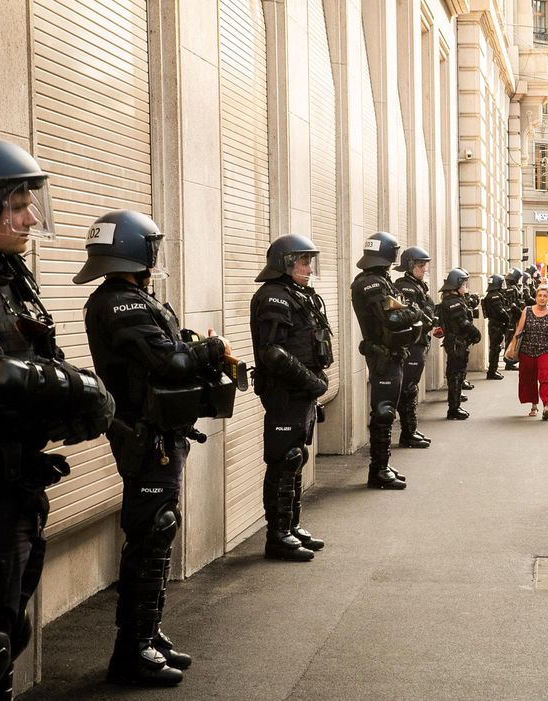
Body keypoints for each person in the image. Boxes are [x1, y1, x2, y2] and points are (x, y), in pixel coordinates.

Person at [0, 139, 115, 698]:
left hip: (17, 483)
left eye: (33, 202)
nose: (32, 216)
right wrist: (73, 388)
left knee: (9, 627)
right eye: (16, 205)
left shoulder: (10, 274)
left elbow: (37, 367)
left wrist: (82, 399)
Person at [77, 210, 239, 685]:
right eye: (151, 246)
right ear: (135, 250)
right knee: (151, 534)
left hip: (160, 433)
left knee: (158, 534)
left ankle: (148, 631)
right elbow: (168, 362)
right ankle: (132, 650)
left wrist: (194, 349)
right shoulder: (119, 304)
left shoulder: (133, 297)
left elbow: (168, 350)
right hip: (144, 436)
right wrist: (210, 350)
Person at [250, 234, 334, 558]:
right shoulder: (274, 297)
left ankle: (292, 526)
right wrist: (311, 381)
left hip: (300, 391)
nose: (309, 268)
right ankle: (277, 535)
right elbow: (273, 353)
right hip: (284, 391)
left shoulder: (296, 295)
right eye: (303, 261)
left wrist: (313, 380)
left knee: (296, 457)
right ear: (285, 263)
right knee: (284, 460)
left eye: (310, 261)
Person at [351, 232, 415, 489]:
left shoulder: (377, 280)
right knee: (384, 412)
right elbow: (391, 319)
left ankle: (382, 465)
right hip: (383, 356)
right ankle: (378, 470)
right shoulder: (372, 284)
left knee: (386, 410)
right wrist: (413, 312)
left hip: (389, 354)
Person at [392, 246, 437, 448]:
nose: (424, 269)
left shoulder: (417, 285)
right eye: (421, 265)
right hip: (412, 343)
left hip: (419, 342)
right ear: (410, 266)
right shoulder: (406, 286)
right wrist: (428, 318)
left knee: (412, 388)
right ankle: (407, 434)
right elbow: (417, 315)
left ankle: (411, 430)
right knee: (408, 388)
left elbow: (427, 311)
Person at [436, 268, 481, 420]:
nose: (465, 288)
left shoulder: (449, 301)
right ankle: (453, 409)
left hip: (455, 342)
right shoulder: (454, 302)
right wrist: (476, 333)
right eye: (464, 285)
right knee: (456, 375)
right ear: (456, 285)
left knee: (455, 374)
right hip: (457, 343)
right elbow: (463, 323)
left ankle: (454, 406)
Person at [515, 285, 548, 418]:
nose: (542, 298)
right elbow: (519, 331)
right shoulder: (527, 310)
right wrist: (512, 347)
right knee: (529, 378)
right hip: (527, 349)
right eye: (540, 295)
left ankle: (546, 406)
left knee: (545, 376)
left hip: (546, 349)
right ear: (535, 297)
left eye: (545, 296)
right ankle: (534, 404)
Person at [482, 273, 511, 380]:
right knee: (495, 348)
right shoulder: (494, 296)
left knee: (495, 348)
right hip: (496, 325)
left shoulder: (491, 294)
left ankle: (493, 370)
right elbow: (500, 311)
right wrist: (507, 319)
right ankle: (492, 371)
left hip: (495, 324)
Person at [502, 268, 524, 371]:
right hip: (512, 317)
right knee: (510, 339)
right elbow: (513, 305)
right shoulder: (511, 289)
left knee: (511, 338)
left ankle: (510, 361)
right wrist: (521, 314)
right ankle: (509, 361)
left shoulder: (508, 287)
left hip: (511, 317)